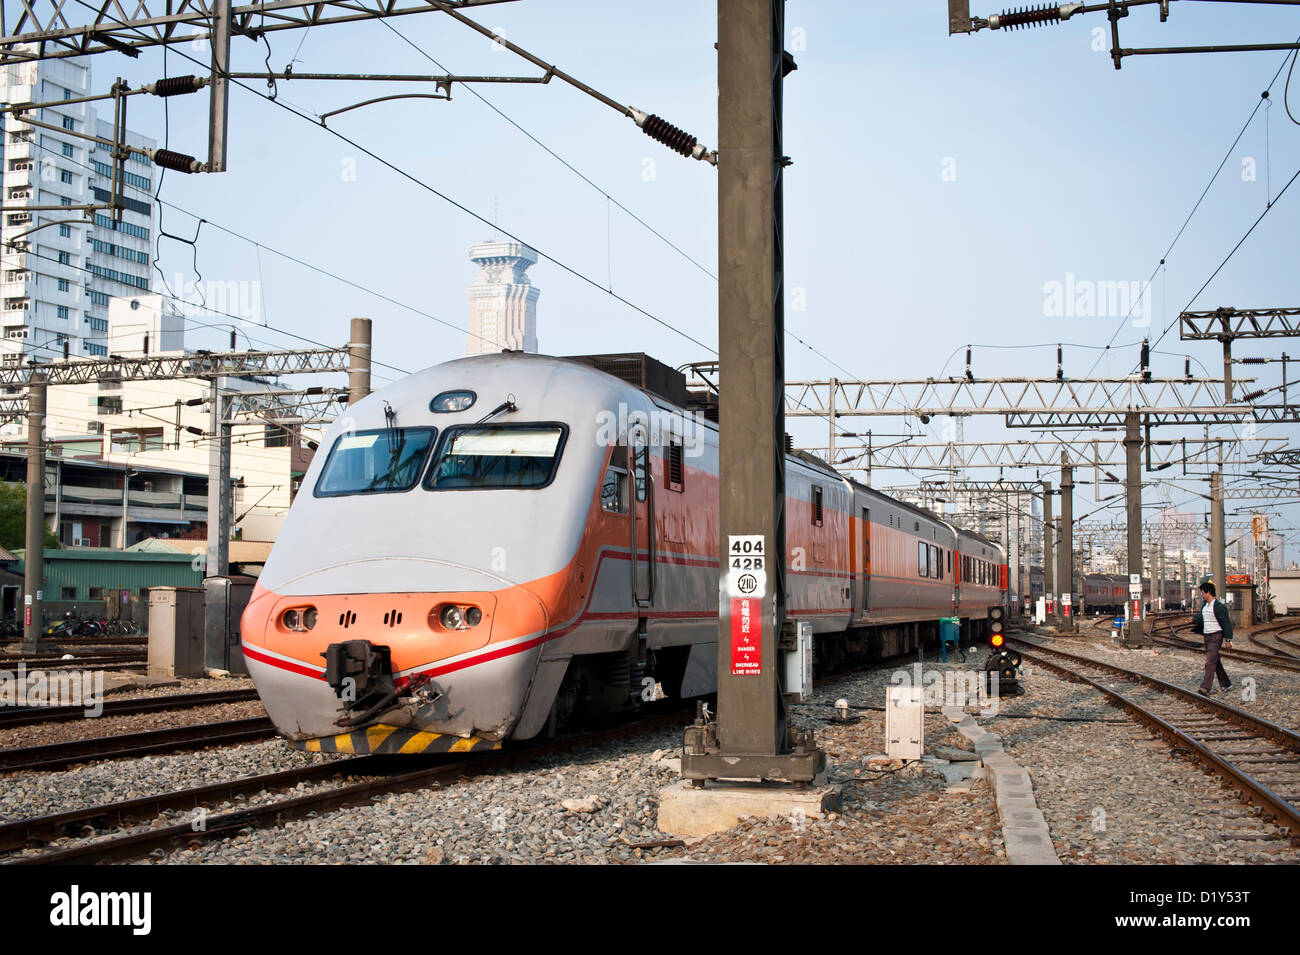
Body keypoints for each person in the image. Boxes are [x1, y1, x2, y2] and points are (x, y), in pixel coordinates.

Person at [1192, 582, 1232, 696]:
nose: (1202, 595)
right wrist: (1193, 619)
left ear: (1208, 592)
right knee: (1215, 660)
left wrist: (1228, 640)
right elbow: (1201, 617)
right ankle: (1226, 683)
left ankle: (1205, 687)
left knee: (1209, 662)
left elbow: (1226, 623)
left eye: (1202, 592)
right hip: (1207, 636)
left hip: (1216, 636)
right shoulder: (1205, 606)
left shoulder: (1219, 607)